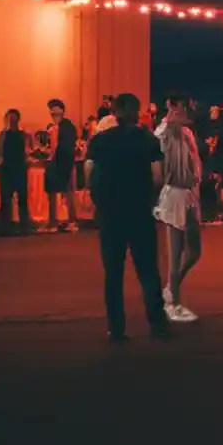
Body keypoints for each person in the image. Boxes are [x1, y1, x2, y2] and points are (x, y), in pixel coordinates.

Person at [85, 93, 168, 342]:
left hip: (110, 213)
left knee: (113, 272)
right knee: (147, 270)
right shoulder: (148, 140)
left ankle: (116, 328)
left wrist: (98, 199)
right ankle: (157, 322)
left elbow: (88, 172)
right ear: (137, 111)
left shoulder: (99, 141)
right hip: (139, 212)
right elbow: (157, 176)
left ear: (114, 111)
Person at [154, 92, 202, 323]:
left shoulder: (186, 133)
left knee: (194, 250)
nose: (189, 110)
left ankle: (170, 289)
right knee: (174, 254)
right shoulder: (162, 133)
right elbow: (157, 168)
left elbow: (195, 164)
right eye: (184, 106)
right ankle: (172, 303)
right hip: (174, 193)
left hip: (190, 193)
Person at [0, 109, 32, 234]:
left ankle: (24, 227)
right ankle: (6, 227)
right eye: (10, 119)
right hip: (6, 169)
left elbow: (28, 150)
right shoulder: (3, 135)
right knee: (6, 199)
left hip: (19, 168)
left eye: (14, 119)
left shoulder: (23, 135)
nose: (12, 122)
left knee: (22, 199)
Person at [44, 99, 79, 232]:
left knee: (67, 193)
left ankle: (69, 221)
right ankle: (57, 221)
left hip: (65, 162)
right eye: (51, 111)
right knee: (58, 193)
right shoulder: (56, 127)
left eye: (55, 110)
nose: (53, 113)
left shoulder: (66, 127)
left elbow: (62, 147)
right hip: (60, 162)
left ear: (62, 111)